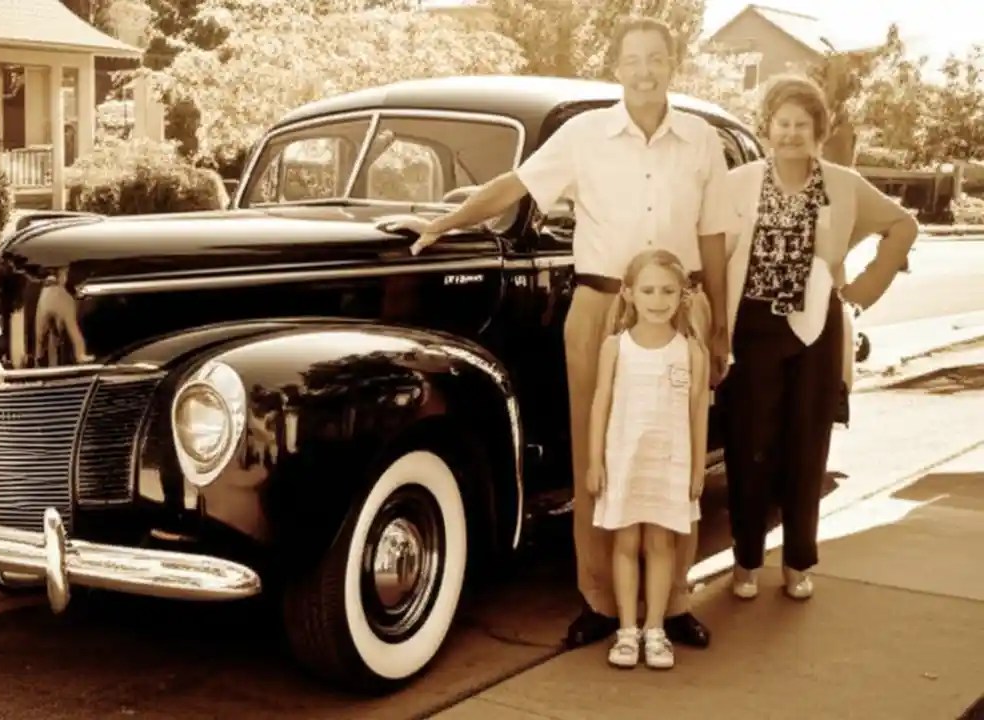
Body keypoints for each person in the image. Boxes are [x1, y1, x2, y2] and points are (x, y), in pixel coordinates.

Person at [380, 16, 729, 650]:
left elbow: (713, 236)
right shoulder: (585, 134)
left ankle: (672, 604)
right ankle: (600, 599)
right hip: (600, 305)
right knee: (595, 454)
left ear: (672, 63)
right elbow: (513, 185)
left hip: (682, 313)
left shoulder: (701, 139)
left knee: (674, 454)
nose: (645, 70)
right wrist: (443, 222)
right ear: (616, 66)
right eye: (632, 58)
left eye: (656, 57)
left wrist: (721, 324)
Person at [718, 74, 918, 600]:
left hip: (816, 328)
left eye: (801, 126)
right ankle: (744, 561)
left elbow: (903, 225)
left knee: (808, 447)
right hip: (753, 326)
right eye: (781, 124)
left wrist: (865, 286)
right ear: (767, 128)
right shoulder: (738, 183)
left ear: (819, 131)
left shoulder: (842, 182)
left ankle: (799, 562)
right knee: (749, 446)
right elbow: (711, 248)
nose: (790, 134)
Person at [589, 249, 709, 669]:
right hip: (624, 459)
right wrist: (594, 462)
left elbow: (697, 411)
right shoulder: (615, 348)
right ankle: (626, 630)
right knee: (625, 542)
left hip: (669, 462)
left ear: (682, 295)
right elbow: (600, 403)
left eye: (668, 290)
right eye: (648, 290)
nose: (658, 299)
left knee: (661, 543)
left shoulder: (690, 351)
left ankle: (655, 629)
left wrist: (697, 467)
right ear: (628, 294)